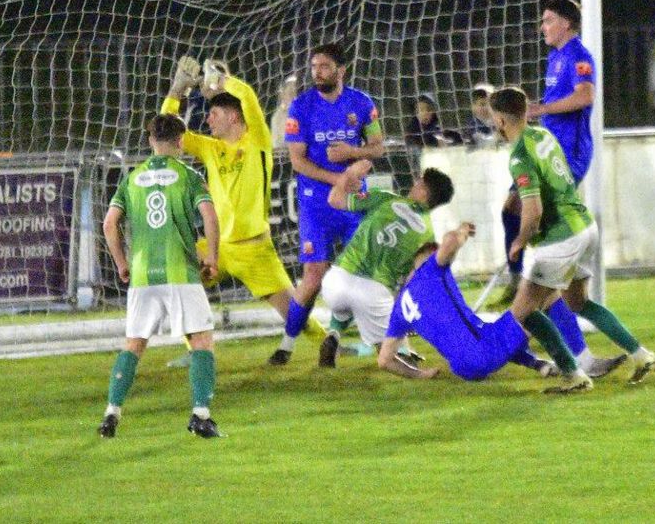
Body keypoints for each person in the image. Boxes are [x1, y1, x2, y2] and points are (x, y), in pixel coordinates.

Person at [158, 57, 326, 369]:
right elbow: (165, 130)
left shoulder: (257, 143)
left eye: (215, 113)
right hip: (216, 247)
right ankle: (197, 350)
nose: (208, 120)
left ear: (235, 117)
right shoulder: (210, 148)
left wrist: (221, 82)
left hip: (254, 250)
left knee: (295, 315)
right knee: (174, 273)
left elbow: (247, 95)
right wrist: (177, 88)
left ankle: (331, 344)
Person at [491, 87, 655, 390]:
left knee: (524, 313)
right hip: (584, 227)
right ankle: (640, 354)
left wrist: (519, 241)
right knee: (578, 302)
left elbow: (534, 211)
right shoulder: (543, 136)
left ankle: (573, 375)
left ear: (501, 120)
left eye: (494, 119)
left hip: (560, 238)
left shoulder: (519, 156)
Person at [97, 113, 223, 439]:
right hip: (180, 271)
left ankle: (112, 413)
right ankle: (200, 414)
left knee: (134, 345)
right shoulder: (190, 176)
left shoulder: (132, 179)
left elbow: (110, 224)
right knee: (201, 341)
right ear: (180, 141)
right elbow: (210, 215)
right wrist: (211, 256)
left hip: (142, 276)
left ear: (151, 141)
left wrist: (122, 263)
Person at [269, 42, 386, 365]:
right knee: (313, 273)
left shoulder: (361, 103)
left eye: (323, 66)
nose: (317, 72)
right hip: (315, 204)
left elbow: (377, 148)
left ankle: (340, 337)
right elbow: (297, 161)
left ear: (340, 70)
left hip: (352, 204)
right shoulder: (301, 108)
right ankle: (286, 345)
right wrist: (338, 179)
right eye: (313, 67)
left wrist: (352, 154)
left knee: (360, 273)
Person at [296, 159, 455, 368]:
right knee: (388, 353)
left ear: (424, 193)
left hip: (335, 282)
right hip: (373, 294)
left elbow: (334, 199)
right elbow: (411, 281)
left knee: (344, 305)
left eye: (419, 183)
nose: (414, 184)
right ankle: (406, 358)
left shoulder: (385, 198)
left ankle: (333, 334)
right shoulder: (428, 235)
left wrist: (349, 175)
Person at [378, 223, 571, 388]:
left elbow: (384, 360)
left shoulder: (399, 309)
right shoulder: (430, 270)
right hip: (482, 352)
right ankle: (575, 365)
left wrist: (422, 374)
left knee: (488, 331)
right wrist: (462, 229)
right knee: (541, 297)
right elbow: (450, 242)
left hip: (463, 369)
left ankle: (538, 364)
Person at [492, 0, 594, 310]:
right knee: (512, 207)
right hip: (549, 151)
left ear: (566, 23)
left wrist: (544, 109)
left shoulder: (579, 55)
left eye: (548, 20)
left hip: (569, 154)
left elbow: (586, 95)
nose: (542, 27)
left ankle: (541, 293)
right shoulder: (555, 57)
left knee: (543, 221)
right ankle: (521, 278)